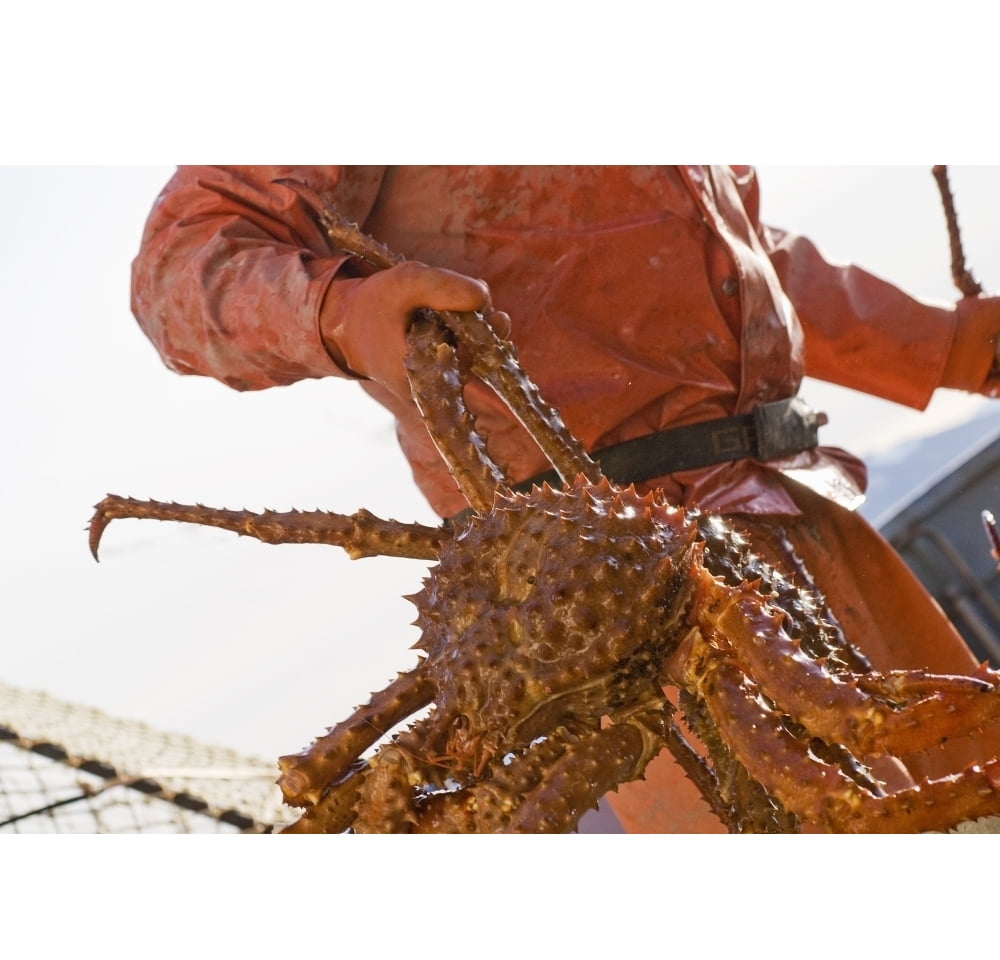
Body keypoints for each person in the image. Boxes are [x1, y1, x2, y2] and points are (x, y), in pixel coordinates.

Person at [130, 166, 1000, 833]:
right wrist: (337, 313)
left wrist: (950, 347)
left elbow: (730, 253)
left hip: (790, 505)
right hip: (616, 615)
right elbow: (181, 265)